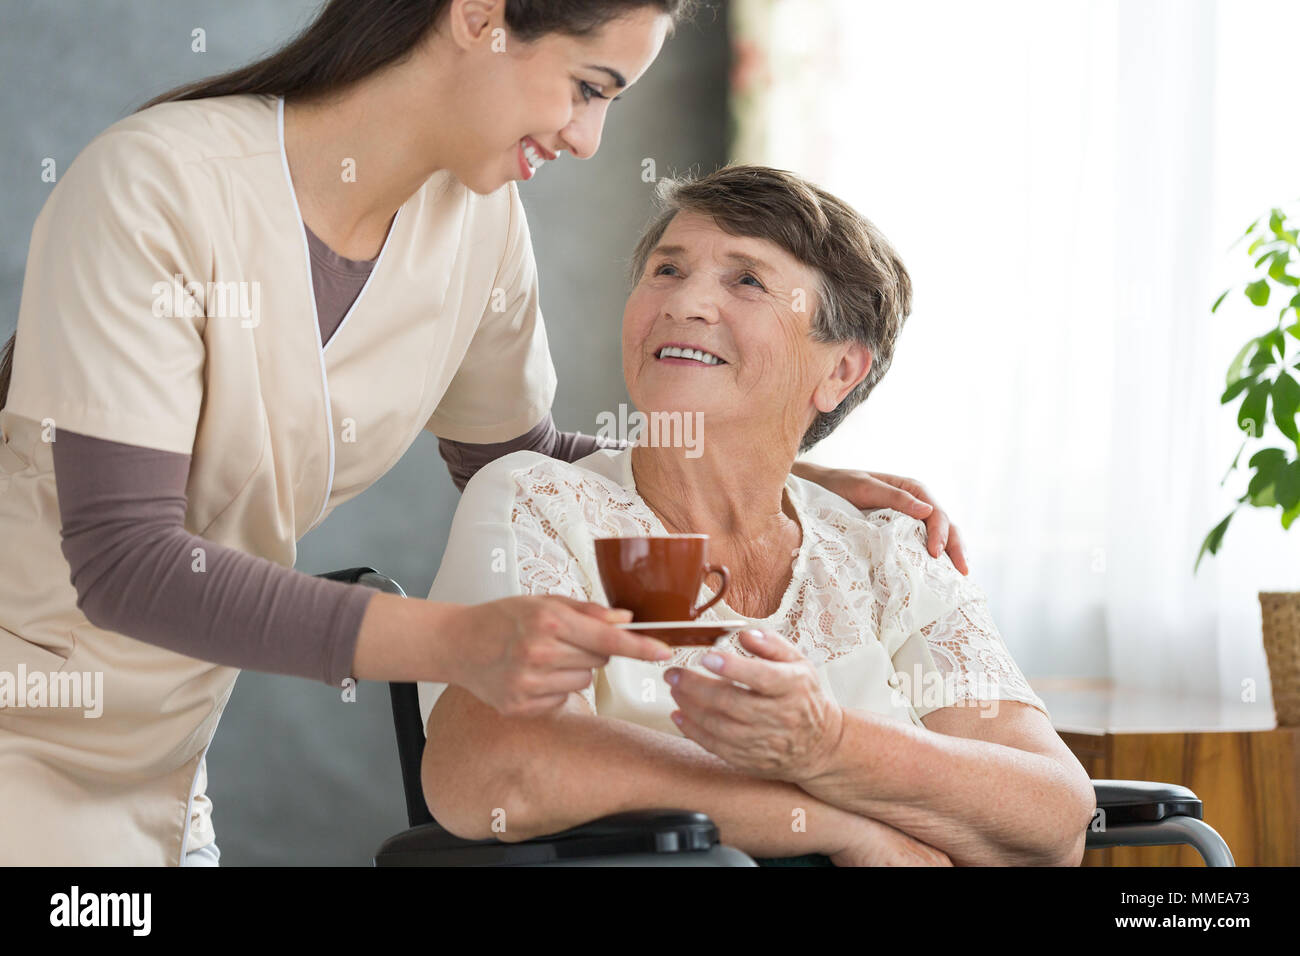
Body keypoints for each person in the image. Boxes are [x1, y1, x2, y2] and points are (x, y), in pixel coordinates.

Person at [0, 0, 964, 866]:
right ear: (478, 18)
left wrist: (781, 485)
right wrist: (457, 642)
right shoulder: (157, 185)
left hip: (168, 752)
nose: (590, 139)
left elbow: (515, 458)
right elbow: (123, 558)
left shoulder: (476, 222)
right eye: (589, 87)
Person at [418, 165, 1096, 866]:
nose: (685, 301)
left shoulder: (885, 549)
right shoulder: (545, 506)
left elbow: (1054, 817)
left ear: (839, 372)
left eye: (746, 280)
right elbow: (501, 763)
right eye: (667, 269)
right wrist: (844, 830)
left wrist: (829, 744)